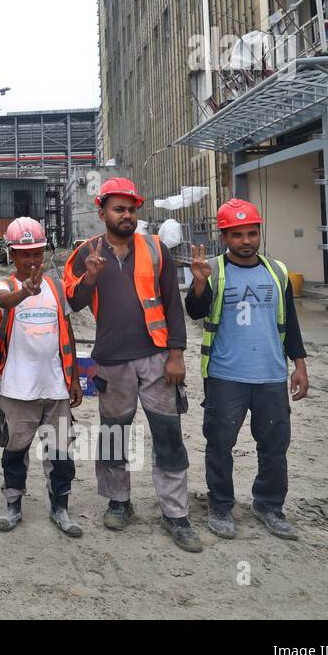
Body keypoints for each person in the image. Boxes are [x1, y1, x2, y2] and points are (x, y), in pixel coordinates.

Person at [63, 177, 200, 552]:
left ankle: (176, 513)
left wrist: (176, 355)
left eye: (132, 209)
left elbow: (173, 305)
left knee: (168, 435)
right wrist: (90, 277)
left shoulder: (156, 249)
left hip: (156, 359)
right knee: (114, 436)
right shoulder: (85, 253)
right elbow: (71, 303)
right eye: (119, 209)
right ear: (102, 211)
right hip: (111, 361)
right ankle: (118, 501)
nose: (127, 215)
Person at [185, 199, 309, 541]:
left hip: (270, 374)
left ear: (259, 233)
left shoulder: (277, 272)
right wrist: (198, 284)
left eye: (252, 233)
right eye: (237, 234)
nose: (246, 241)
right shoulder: (213, 270)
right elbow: (195, 311)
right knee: (220, 444)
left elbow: (291, 324)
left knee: (274, 446)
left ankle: (269, 505)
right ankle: (221, 506)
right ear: (224, 237)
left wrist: (299, 365)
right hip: (226, 375)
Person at [0, 217, 83, 536]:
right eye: (24, 253)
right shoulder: (5, 286)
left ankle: (60, 508)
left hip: (55, 389)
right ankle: (13, 506)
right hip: (18, 391)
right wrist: (24, 292)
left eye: (36, 253)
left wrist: (74, 380)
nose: (31, 260)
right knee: (14, 452)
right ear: (11, 256)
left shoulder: (57, 288)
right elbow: (2, 302)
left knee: (60, 453)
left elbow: (66, 330)